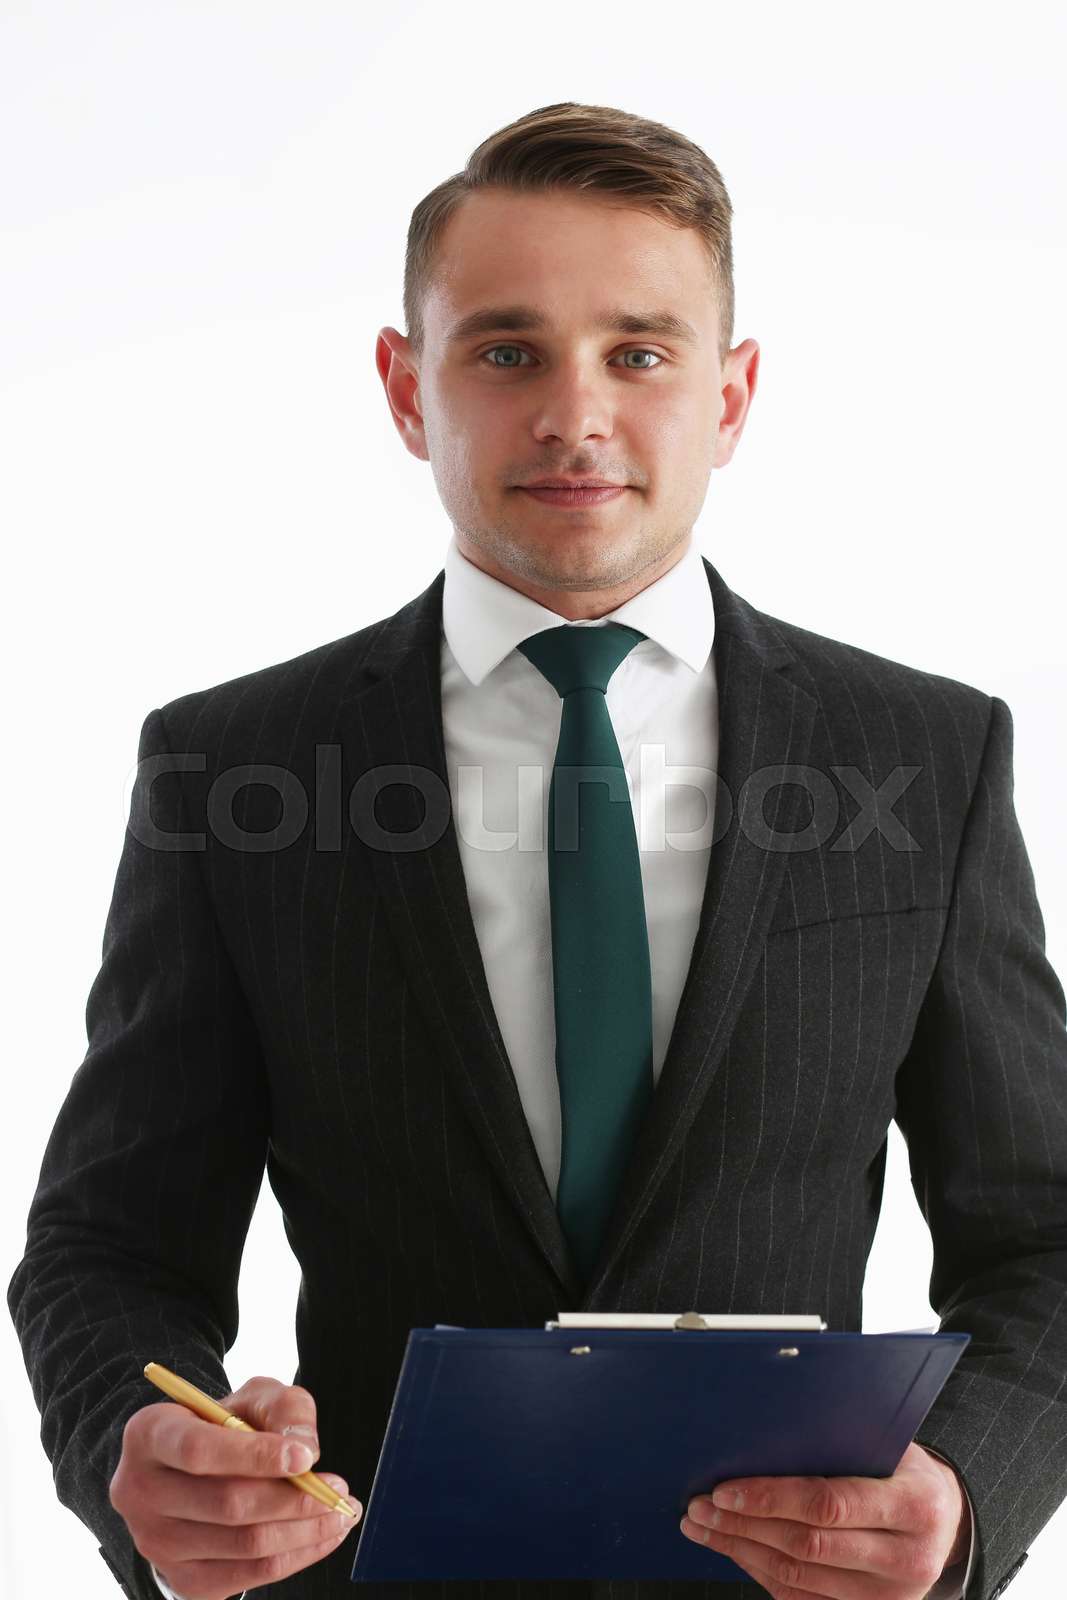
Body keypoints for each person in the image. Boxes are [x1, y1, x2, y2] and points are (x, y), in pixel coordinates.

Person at [8, 100, 1065, 1600]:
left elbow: (1046, 1235)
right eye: (507, 353)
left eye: (640, 353)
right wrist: (142, 1451)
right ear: (406, 386)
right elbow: (108, 1245)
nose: (577, 415)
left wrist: (965, 1492)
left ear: (732, 395)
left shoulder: (927, 756)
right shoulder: (233, 768)